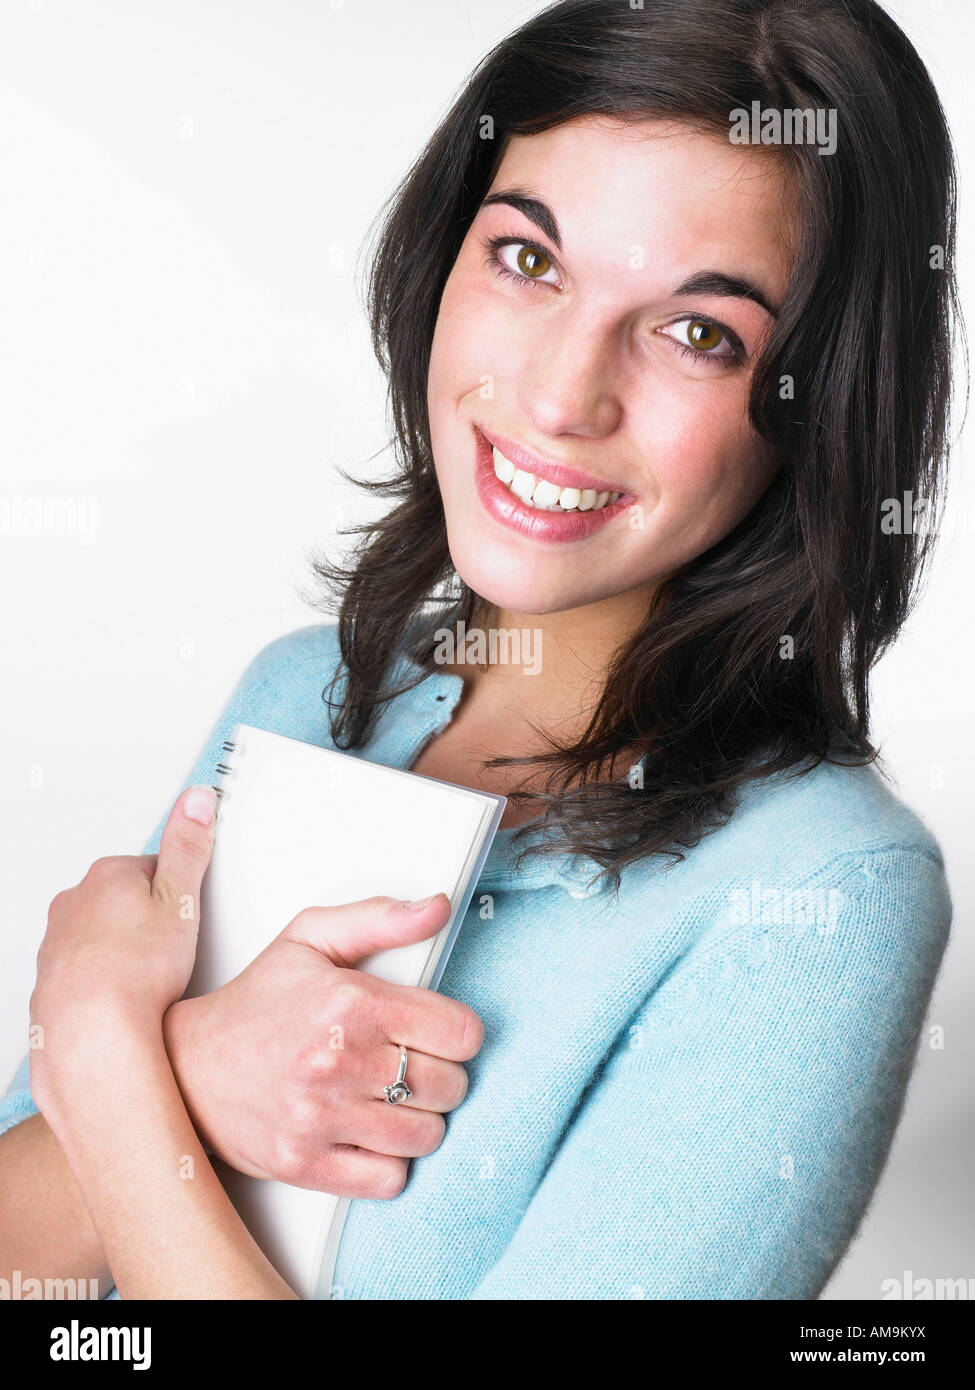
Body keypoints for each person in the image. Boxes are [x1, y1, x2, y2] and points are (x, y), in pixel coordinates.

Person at [0, 0, 962, 1299]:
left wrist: (119, 1057)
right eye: (529, 259)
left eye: (698, 331)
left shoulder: (823, 889)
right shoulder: (302, 691)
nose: (564, 395)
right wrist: (202, 1082)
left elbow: (80, 1157)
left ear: (821, 399)